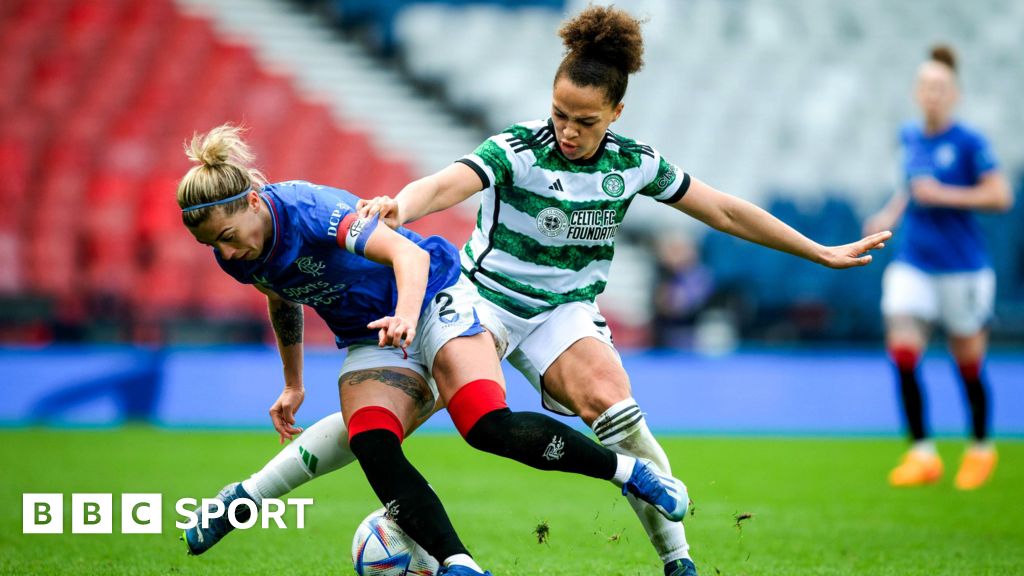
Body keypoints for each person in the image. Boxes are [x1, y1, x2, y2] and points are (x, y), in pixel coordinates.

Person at [354, 7, 890, 576]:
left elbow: (727, 212)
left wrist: (819, 251)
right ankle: (272, 484)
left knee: (619, 415)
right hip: (483, 301)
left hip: (562, 313)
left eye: (585, 120)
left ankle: (677, 561)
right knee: (421, 415)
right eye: (559, 114)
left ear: (615, 111)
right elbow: (444, 184)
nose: (568, 130)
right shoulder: (517, 151)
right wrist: (400, 205)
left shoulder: (633, 164)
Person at [176, 124, 689, 575]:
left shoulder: (310, 211)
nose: (224, 252)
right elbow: (282, 298)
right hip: (372, 335)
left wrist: (403, 314)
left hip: (436, 296)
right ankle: (458, 565)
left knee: (485, 424)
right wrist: (293, 382)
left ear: (248, 202)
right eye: (211, 246)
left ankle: (629, 473)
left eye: (225, 236)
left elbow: (408, 255)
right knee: (371, 440)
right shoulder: (239, 252)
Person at [864, 45, 1012, 490]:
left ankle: (981, 448)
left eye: (941, 88)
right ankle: (922, 453)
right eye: (926, 87)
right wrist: (888, 215)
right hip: (915, 262)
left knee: (967, 359)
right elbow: (910, 188)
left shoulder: (970, 143)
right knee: (903, 348)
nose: (933, 94)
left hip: (962, 268)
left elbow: (1001, 197)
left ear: (954, 94)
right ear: (917, 92)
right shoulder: (909, 136)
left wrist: (946, 195)